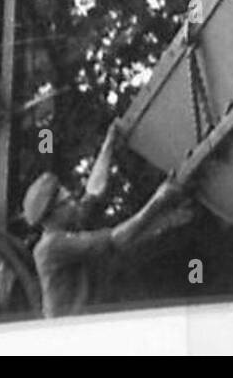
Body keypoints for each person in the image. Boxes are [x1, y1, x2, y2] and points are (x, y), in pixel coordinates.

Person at [22, 122, 188, 319]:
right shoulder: (51, 247)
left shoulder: (66, 224)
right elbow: (116, 240)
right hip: (68, 337)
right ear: (53, 214)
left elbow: (93, 191)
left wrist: (109, 144)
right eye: (68, 202)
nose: (75, 203)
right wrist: (158, 201)